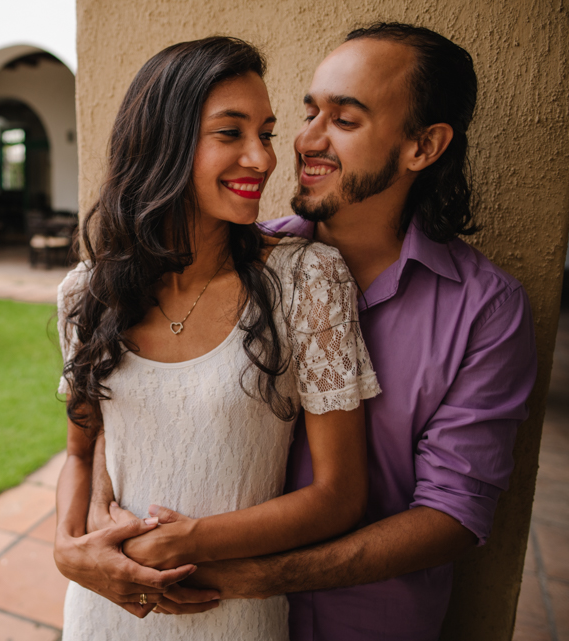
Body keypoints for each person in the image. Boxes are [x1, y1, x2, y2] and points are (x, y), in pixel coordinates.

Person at [73, 22, 538, 641]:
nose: (301, 142)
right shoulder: (241, 260)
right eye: (309, 112)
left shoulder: (486, 309)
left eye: (344, 121)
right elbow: (132, 406)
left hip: (361, 622)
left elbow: (453, 514)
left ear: (423, 147)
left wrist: (244, 576)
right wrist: (85, 532)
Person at [54, 36, 382, 640]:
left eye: (267, 133)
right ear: (163, 144)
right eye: (231, 134)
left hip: (232, 616)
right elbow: (81, 450)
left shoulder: (306, 281)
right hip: (106, 613)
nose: (262, 159)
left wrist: (192, 540)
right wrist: (67, 547)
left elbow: (341, 495)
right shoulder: (87, 294)